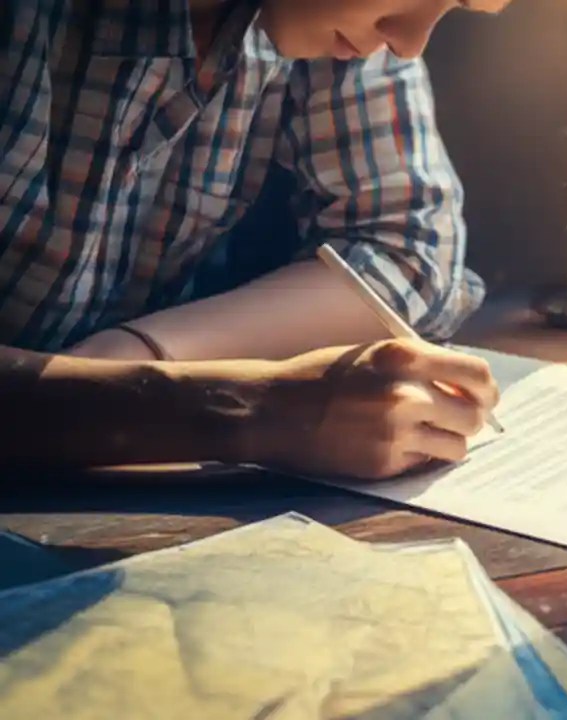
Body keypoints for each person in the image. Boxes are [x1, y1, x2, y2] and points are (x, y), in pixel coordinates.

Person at [0, 0, 513, 479]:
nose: (409, 42)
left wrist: (132, 357)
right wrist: (250, 407)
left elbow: (410, 249)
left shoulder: (321, 21)